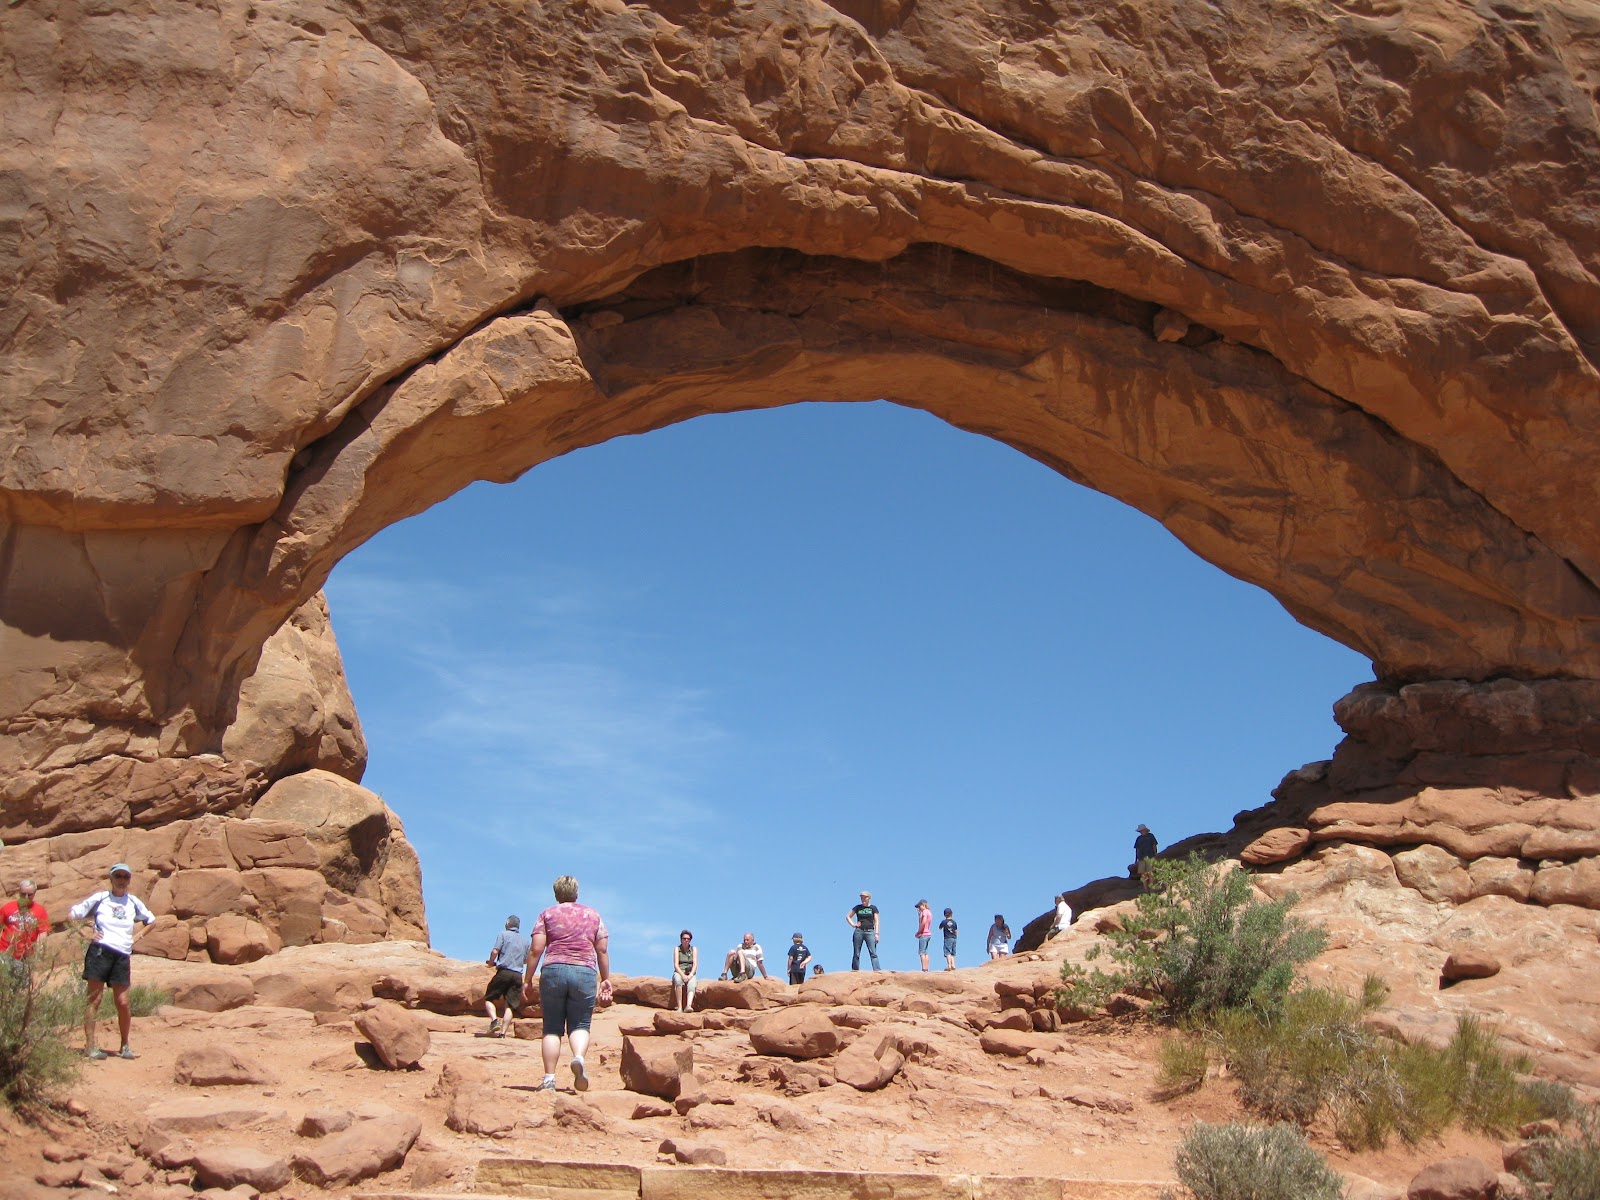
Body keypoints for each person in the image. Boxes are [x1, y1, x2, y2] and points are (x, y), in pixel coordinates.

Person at [522, 875, 611, 1093]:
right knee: (580, 1024)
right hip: (585, 971)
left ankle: (549, 1079)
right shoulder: (593, 915)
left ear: (556, 894)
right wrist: (606, 978)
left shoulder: (547, 914)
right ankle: (578, 1057)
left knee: (552, 1027)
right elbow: (602, 949)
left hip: (554, 970)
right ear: (576, 893)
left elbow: (536, 949)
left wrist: (527, 979)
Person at [69, 864, 154, 1060]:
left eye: (125, 876)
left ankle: (125, 1045)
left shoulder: (133, 902)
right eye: (118, 876)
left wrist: (137, 936)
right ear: (111, 878)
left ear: (129, 880)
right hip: (100, 951)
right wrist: (85, 934)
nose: (121, 879)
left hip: (122, 955)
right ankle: (90, 1046)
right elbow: (73, 915)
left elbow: (151, 920)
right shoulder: (100, 899)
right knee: (94, 999)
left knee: (123, 1002)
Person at [483, 914, 529, 1036]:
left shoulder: (503, 934)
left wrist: (491, 962)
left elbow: (495, 951)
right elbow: (527, 960)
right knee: (510, 1005)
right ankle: (503, 1033)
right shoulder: (525, 941)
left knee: (489, 998)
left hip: (504, 972)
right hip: (517, 975)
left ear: (507, 924)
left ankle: (494, 1021)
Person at [0, 879, 48, 982]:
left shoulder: (40, 911)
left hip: (26, 956)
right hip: (6, 954)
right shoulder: (7, 908)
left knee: (23, 986)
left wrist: (38, 956)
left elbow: (42, 934)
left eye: (29, 895)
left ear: (34, 894)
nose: (26, 897)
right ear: (19, 892)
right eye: (23, 894)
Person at [847, 890, 881, 971]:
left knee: (873, 953)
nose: (863, 898)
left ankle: (877, 970)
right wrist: (853, 924)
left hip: (870, 931)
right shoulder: (857, 907)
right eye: (862, 897)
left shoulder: (873, 908)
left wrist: (876, 933)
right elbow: (848, 916)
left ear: (869, 898)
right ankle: (855, 970)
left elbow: (876, 921)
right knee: (856, 953)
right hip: (859, 931)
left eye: (865, 897)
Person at [672, 930, 699, 1012]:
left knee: (692, 984)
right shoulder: (677, 949)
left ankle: (688, 1006)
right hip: (679, 971)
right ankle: (679, 1007)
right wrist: (683, 975)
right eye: (684, 938)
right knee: (678, 980)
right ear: (681, 939)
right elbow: (676, 965)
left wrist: (690, 975)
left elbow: (695, 964)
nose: (686, 940)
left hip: (690, 972)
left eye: (688, 939)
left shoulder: (693, 949)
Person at [913, 900, 932, 972]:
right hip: (928, 934)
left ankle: (924, 968)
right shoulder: (929, 912)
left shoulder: (924, 912)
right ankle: (926, 968)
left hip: (924, 934)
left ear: (922, 905)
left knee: (921, 952)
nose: (919, 908)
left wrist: (919, 931)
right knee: (926, 952)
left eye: (919, 906)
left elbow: (924, 922)